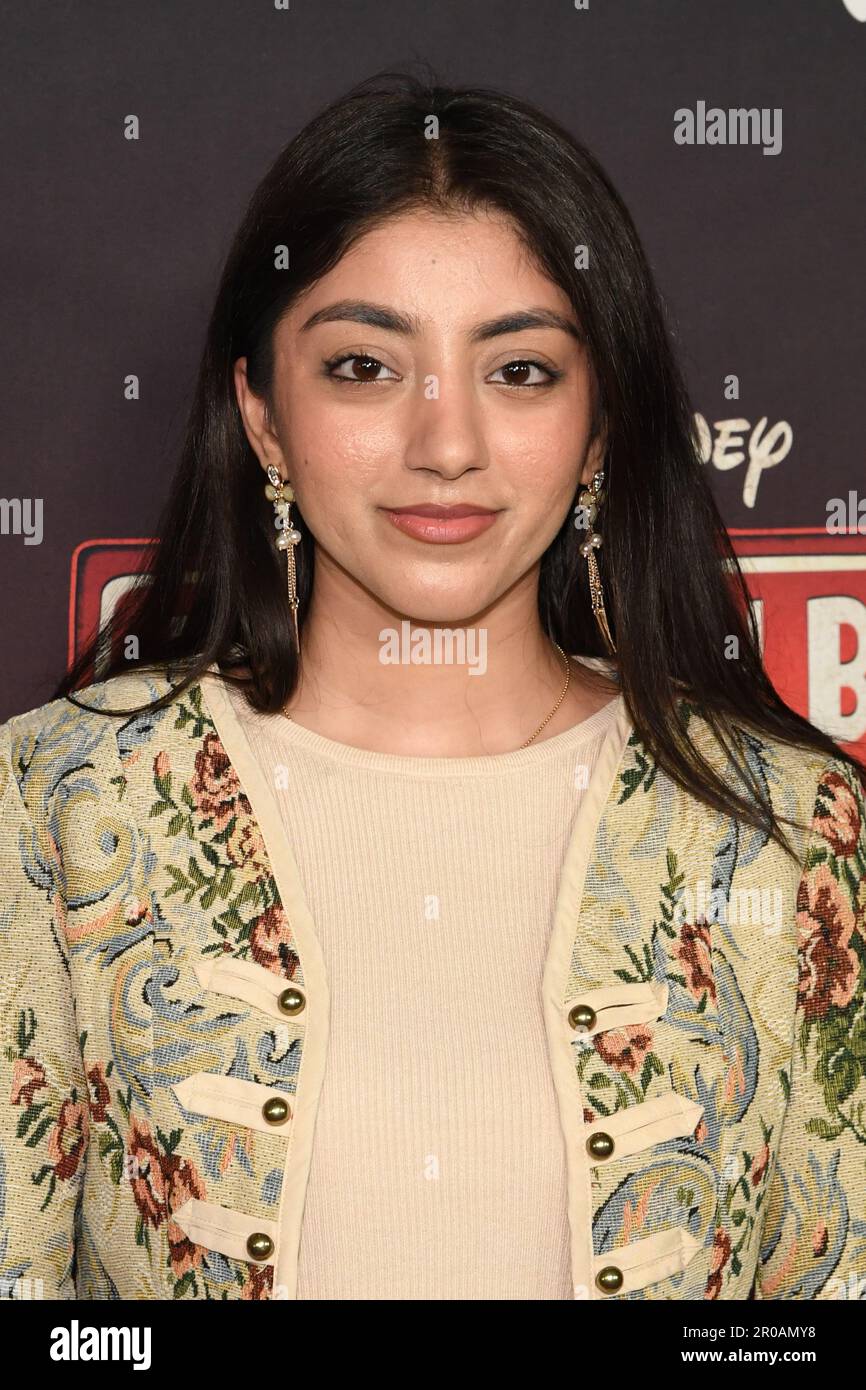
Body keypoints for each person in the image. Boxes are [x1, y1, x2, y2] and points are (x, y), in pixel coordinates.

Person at [1, 71, 864, 1302]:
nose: (445, 442)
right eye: (362, 366)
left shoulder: (789, 830)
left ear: (601, 425)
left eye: (517, 371)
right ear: (260, 417)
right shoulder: (56, 803)